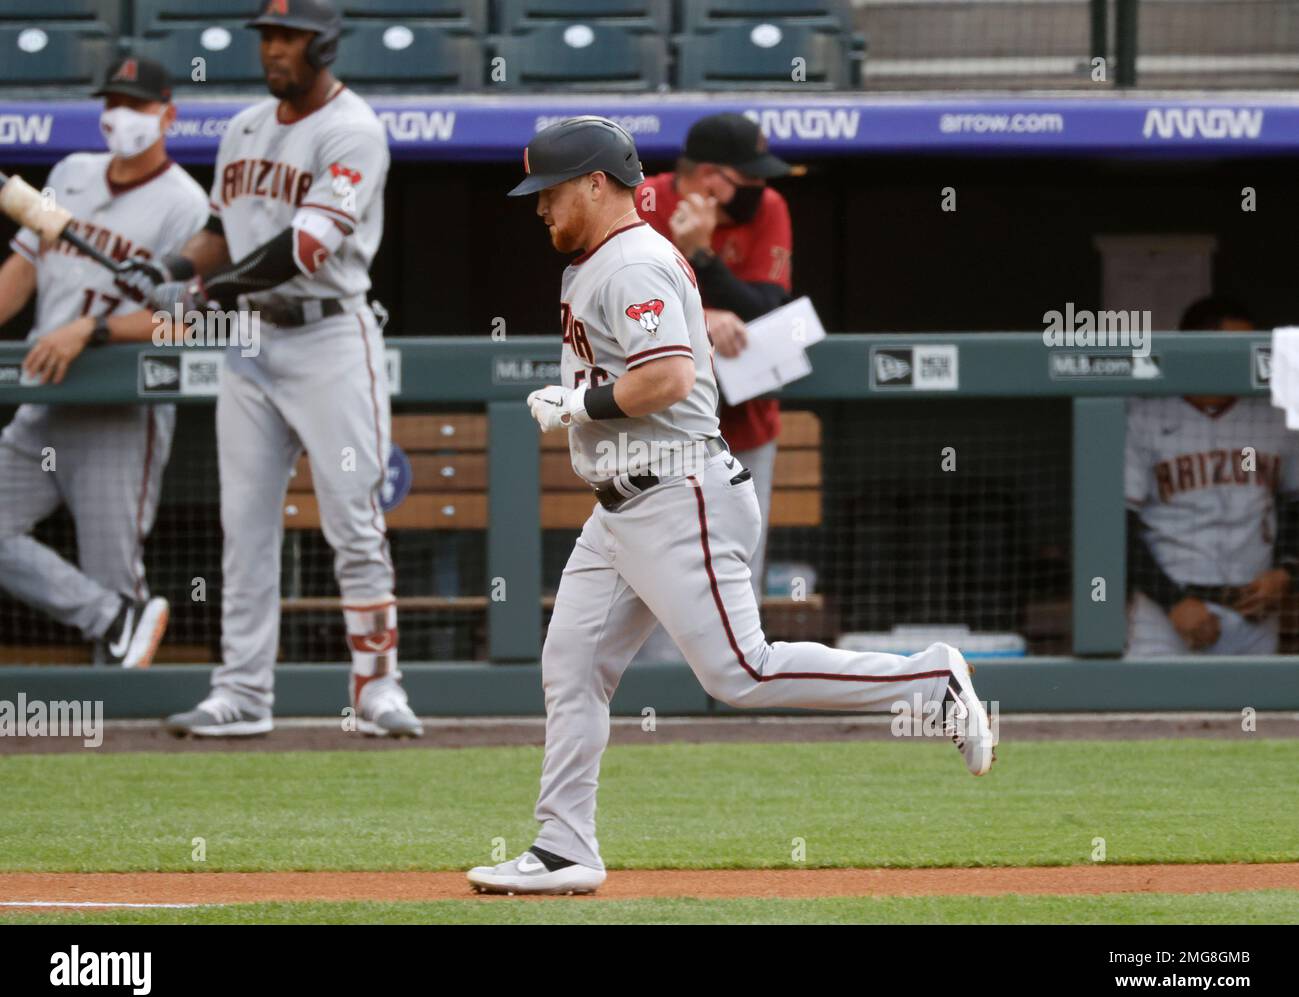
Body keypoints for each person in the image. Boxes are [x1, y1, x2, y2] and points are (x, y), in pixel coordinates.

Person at [466, 117, 995, 896]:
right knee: (572, 664)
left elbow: (668, 378)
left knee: (740, 671)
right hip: (624, 507)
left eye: (550, 192)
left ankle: (930, 682)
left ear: (594, 183)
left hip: (679, 492)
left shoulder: (633, 264)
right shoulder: (598, 261)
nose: (540, 208)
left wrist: (580, 406)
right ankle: (563, 845)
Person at [117, 0, 421, 737]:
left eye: (289, 38)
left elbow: (308, 244)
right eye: (267, 37)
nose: (273, 50)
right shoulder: (244, 127)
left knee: (353, 517)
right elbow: (222, 229)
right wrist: (170, 265)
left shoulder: (353, 129)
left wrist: (202, 292)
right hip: (249, 344)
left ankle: (377, 686)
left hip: (328, 338)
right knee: (243, 526)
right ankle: (243, 691)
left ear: (323, 44)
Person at [0, 56, 208, 667]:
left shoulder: (186, 206)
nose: (121, 116)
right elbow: (24, 269)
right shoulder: (71, 172)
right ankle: (109, 617)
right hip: (47, 397)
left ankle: (121, 739)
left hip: (119, 406)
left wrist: (91, 330)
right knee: (119, 618)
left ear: (167, 114)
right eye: (112, 102)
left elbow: (185, 321)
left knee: (114, 576)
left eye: (137, 104)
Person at [635, 113, 793, 624]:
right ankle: (667, 694)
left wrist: (701, 255)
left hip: (746, 422)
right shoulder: (645, 203)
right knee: (663, 566)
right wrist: (700, 316)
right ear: (709, 177)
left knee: (739, 567)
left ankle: (732, 696)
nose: (761, 187)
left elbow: (766, 306)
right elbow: (623, 311)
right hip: (660, 428)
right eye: (748, 178)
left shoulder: (768, 207)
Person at [1125, 296, 1299, 655]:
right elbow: (1115, 525)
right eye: (1232, 349)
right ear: (1195, 350)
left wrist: (1286, 572)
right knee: (1154, 712)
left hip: (1254, 613)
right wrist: (1172, 601)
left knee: (1252, 711)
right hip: (1167, 618)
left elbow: (1297, 504)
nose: (1243, 359)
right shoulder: (1145, 415)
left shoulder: (1275, 417)